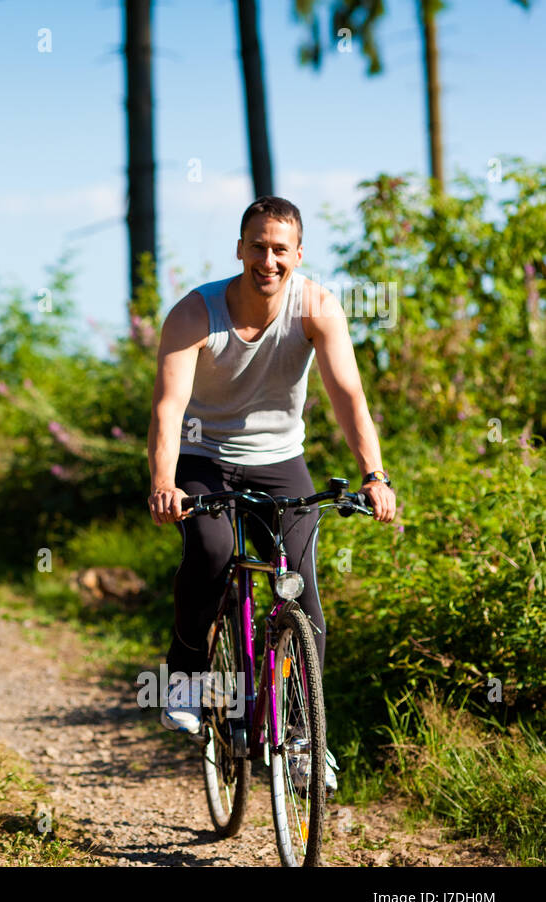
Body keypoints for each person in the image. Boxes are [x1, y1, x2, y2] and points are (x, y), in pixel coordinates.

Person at [146, 196, 397, 794]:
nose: (268, 259)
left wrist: (374, 474)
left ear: (298, 255)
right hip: (204, 456)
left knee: (303, 590)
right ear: (239, 248)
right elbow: (167, 407)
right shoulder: (194, 313)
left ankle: (308, 740)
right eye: (257, 246)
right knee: (208, 552)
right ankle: (184, 675)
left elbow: (348, 396)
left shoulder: (316, 307)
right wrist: (162, 483)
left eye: (280, 249)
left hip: (281, 461)